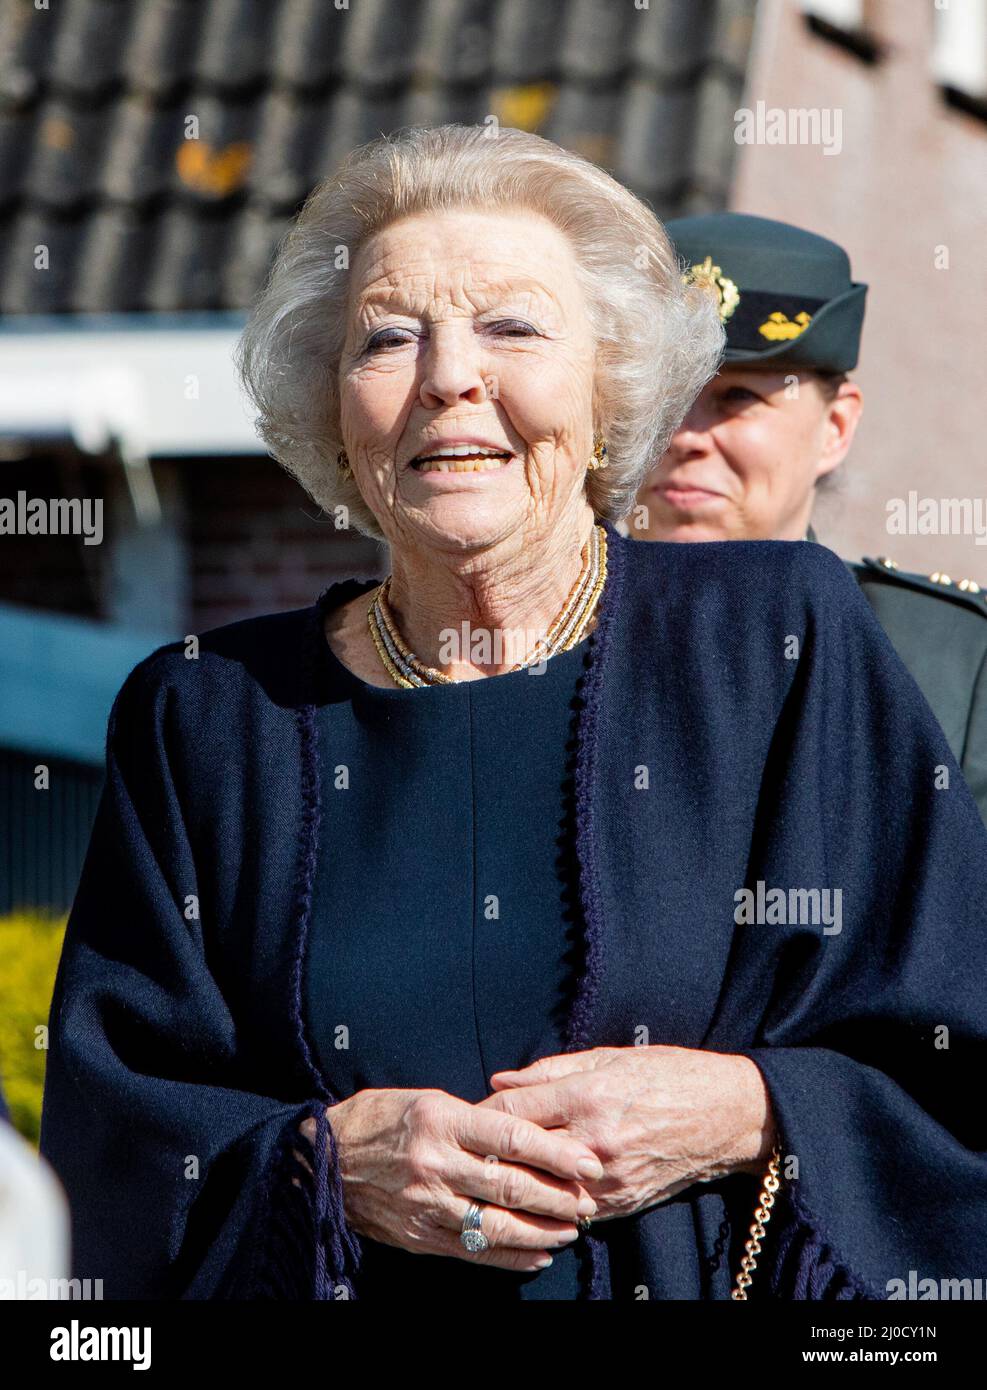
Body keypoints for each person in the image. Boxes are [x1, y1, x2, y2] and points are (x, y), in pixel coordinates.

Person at [39, 126, 987, 1302]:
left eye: (513, 327)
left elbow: (956, 1048)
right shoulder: (205, 715)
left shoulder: (780, 639)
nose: (449, 376)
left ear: (612, 388)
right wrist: (323, 1165)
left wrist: (750, 1107)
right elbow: (111, 1145)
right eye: (389, 336)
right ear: (335, 410)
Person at [631, 212, 987, 824]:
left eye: (736, 397)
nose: (685, 437)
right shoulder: (522, 632)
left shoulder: (950, 657)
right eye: (662, 397)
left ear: (836, 427)